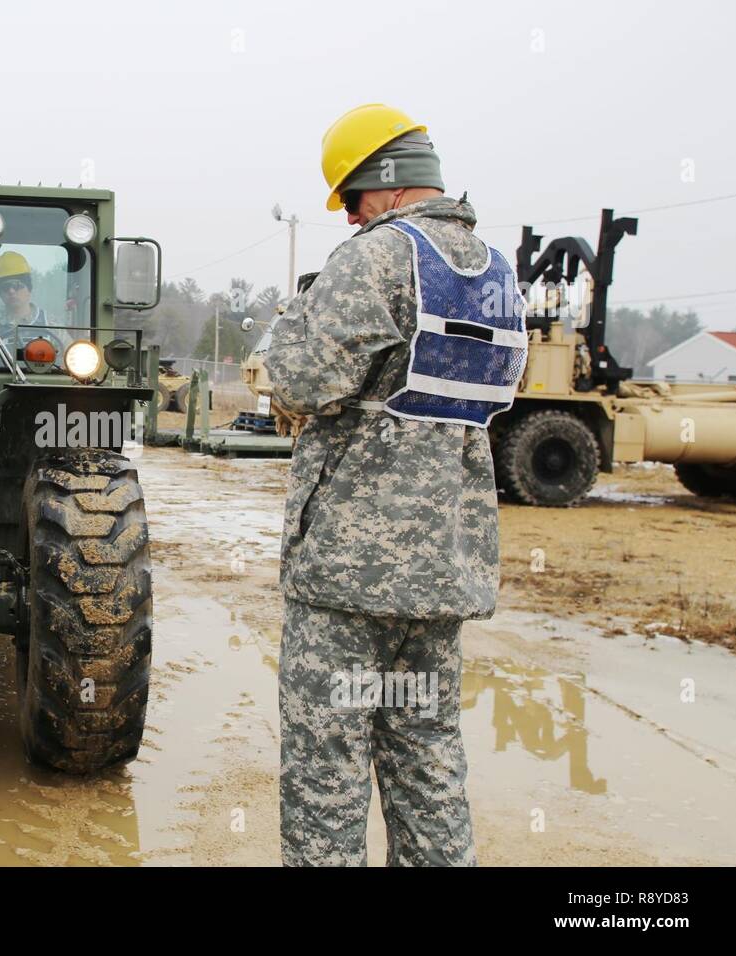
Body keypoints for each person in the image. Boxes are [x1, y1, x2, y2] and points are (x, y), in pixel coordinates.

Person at [267, 103, 529, 866]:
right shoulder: (493, 271)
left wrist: (297, 316)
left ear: (383, 184)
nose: (349, 218)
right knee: (428, 763)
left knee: (328, 773)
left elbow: (296, 381)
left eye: (350, 199)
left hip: (350, 581)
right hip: (442, 575)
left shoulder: (379, 257)